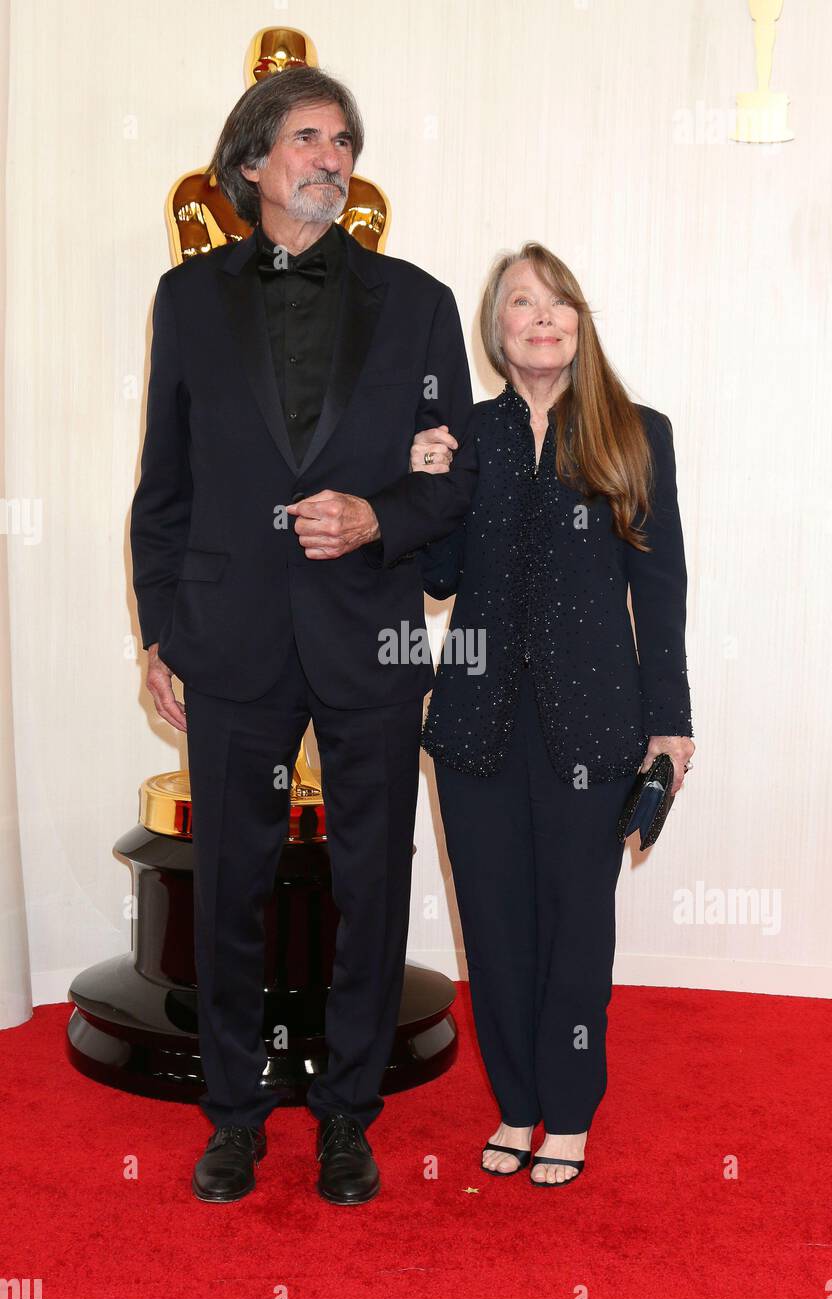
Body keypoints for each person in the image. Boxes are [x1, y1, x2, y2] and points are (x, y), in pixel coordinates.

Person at [130, 66, 476, 1205]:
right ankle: (233, 1115)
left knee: (372, 885)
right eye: (311, 139)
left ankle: (346, 1115)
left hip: (370, 634)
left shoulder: (420, 304)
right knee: (230, 883)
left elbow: (450, 482)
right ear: (253, 165)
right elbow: (163, 488)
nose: (334, 157)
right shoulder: (185, 302)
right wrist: (162, 630)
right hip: (228, 635)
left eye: (346, 142)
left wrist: (380, 515)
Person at [418, 242, 695, 1186]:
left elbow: (660, 594)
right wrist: (423, 486)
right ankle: (517, 1104)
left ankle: (569, 1110)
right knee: (491, 922)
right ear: (495, 332)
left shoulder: (635, 433)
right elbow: (439, 576)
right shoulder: (469, 435)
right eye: (519, 304)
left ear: (580, 320)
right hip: (473, 719)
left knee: (576, 921)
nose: (540, 317)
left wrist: (672, 723)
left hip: (595, 723)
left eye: (557, 302)